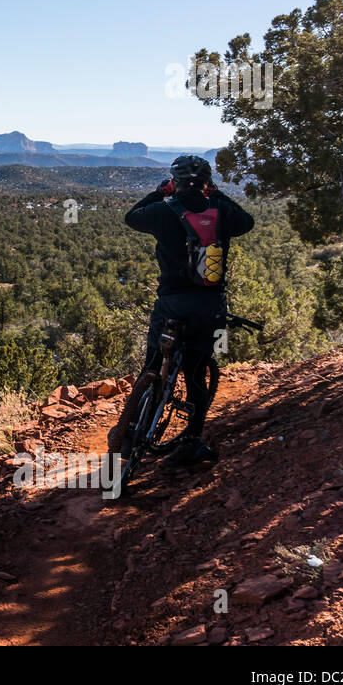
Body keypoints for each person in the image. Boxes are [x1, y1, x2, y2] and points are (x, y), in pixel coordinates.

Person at [114, 154, 255, 466]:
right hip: (208, 306)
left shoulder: (163, 210)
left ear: (174, 180)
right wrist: (214, 193)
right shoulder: (220, 211)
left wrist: (162, 192)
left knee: (153, 363)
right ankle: (191, 441)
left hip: (171, 303)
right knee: (196, 373)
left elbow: (132, 217)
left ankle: (129, 433)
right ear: (206, 181)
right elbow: (248, 222)